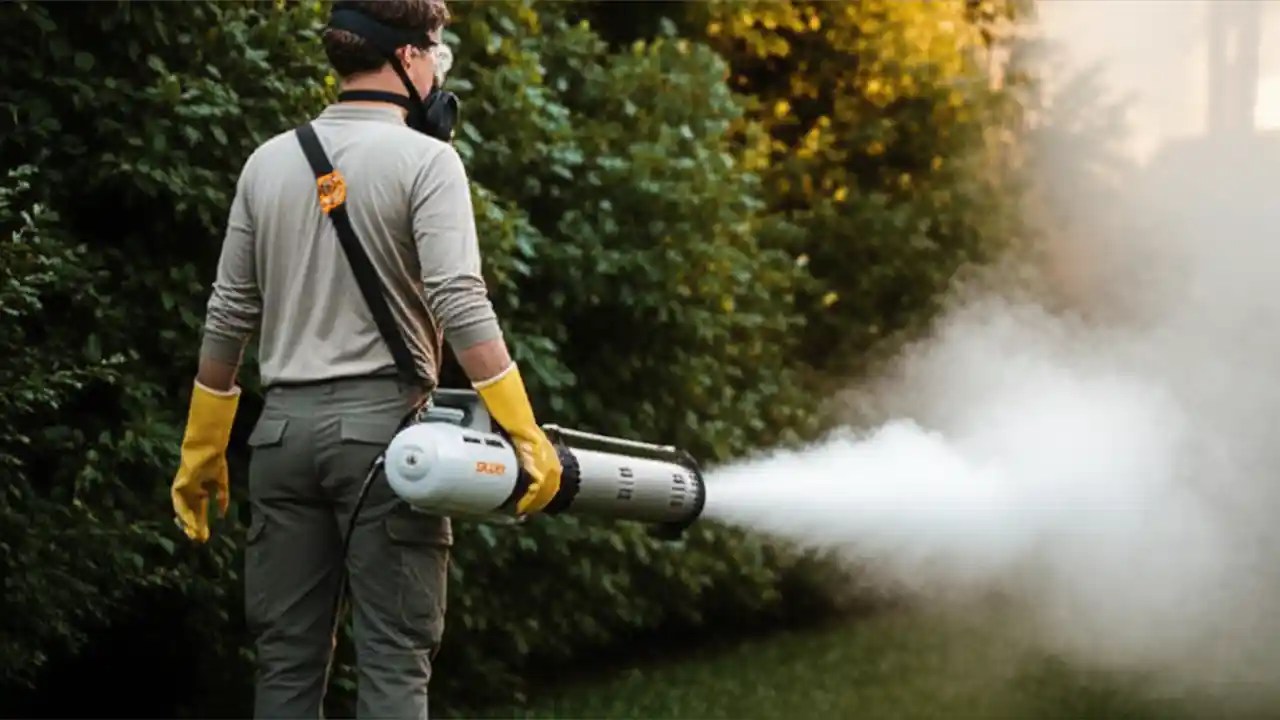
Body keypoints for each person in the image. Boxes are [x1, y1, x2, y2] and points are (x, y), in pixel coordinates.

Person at [168, 1, 563, 717]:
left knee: (284, 666)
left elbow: (228, 314)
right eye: (436, 50)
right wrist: (523, 430)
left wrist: (203, 449)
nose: (440, 66)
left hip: (279, 441)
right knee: (392, 661)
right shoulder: (429, 162)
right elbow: (460, 301)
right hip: (385, 444)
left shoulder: (268, 161)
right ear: (408, 57)